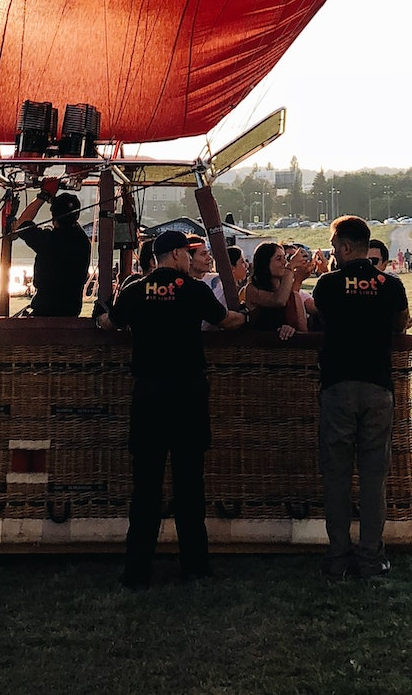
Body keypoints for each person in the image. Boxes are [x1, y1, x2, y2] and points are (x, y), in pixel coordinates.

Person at [99, 230, 245, 588]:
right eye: (188, 252)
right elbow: (227, 321)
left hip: (149, 395)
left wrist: (100, 314)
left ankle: (137, 569)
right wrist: (246, 316)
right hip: (188, 394)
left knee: (145, 486)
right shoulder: (194, 290)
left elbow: (110, 322)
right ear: (177, 255)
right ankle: (195, 565)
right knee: (189, 484)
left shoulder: (135, 290)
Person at [312, 215, 411, 582]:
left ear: (345, 246)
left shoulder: (327, 284)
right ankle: (371, 559)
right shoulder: (391, 284)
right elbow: (400, 324)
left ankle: (337, 559)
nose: (333, 251)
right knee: (373, 478)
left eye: (335, 245)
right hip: (377, 385)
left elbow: (322, 320)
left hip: (337, 385)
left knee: (336, 476)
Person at [11, 190, 91, 317]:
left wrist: (43, 196)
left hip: (45, 309)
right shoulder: (82, 241)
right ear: (77, 216)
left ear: (53, 216)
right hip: (72, 310)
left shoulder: (48, 240)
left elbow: (22, 223)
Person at [243, 241, 311, 338]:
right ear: (265, 264)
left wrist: (291, 331)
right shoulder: (252, 289)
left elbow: (304, 333)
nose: (284, 263)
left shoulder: (294, 296)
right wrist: (290, 267)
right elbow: (279, 300)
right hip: (260, 349)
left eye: (284, 258)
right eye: (279, 259)